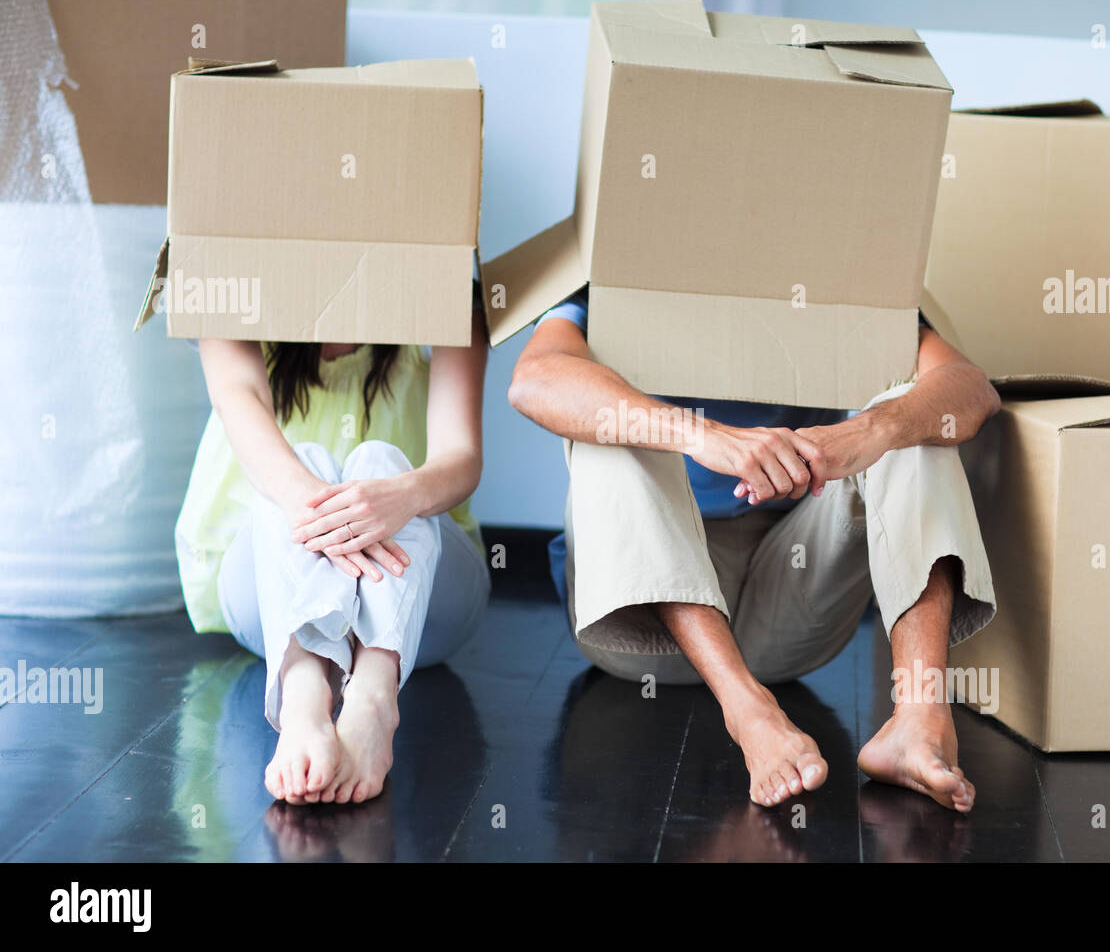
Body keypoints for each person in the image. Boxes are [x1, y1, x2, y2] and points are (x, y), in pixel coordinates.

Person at [508, 288, 998, 812]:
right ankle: (747, 710)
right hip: (644, 632)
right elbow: (535, 379)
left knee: (911, 420)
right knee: (616, 424)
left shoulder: (838, 265)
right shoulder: (623, 268)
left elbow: (970, 390)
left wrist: (868, 429)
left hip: (791, 605)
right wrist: (701, 435)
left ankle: (919, 719)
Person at [175, 300, 490, 806]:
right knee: (298, 465)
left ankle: (373, 695)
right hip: (272, 603)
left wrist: (399, 496)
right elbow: (242, 405)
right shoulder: (229, 274)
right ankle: (302, 690)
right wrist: (336, 517)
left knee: (380, 462)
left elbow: (462, 456)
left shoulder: (445, 288)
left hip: (424, 611)